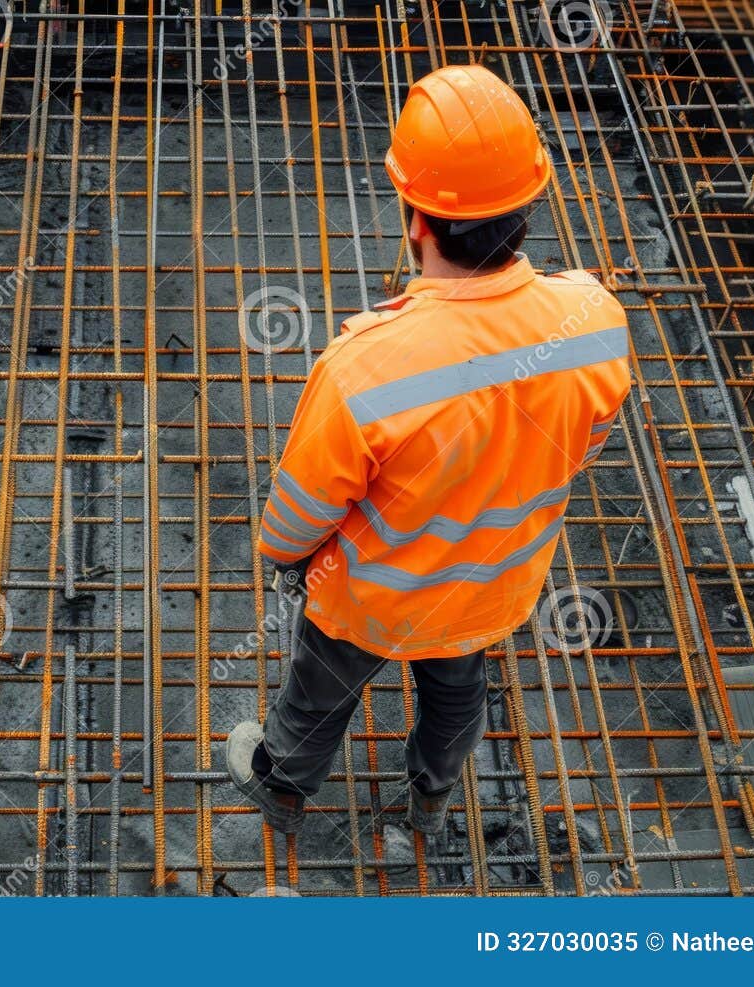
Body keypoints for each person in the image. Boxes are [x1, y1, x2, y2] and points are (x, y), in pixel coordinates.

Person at [225, 64, 632, 837]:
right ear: (528, 207)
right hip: (492, 587)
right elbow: (581, 445)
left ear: (416, 221)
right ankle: (433, 795)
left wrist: (289, 559)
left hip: (369, 599)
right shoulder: (595, 319)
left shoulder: (367, 368)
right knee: (456, 694)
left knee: (319, 692)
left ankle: (282, 784)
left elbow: (294, 523)